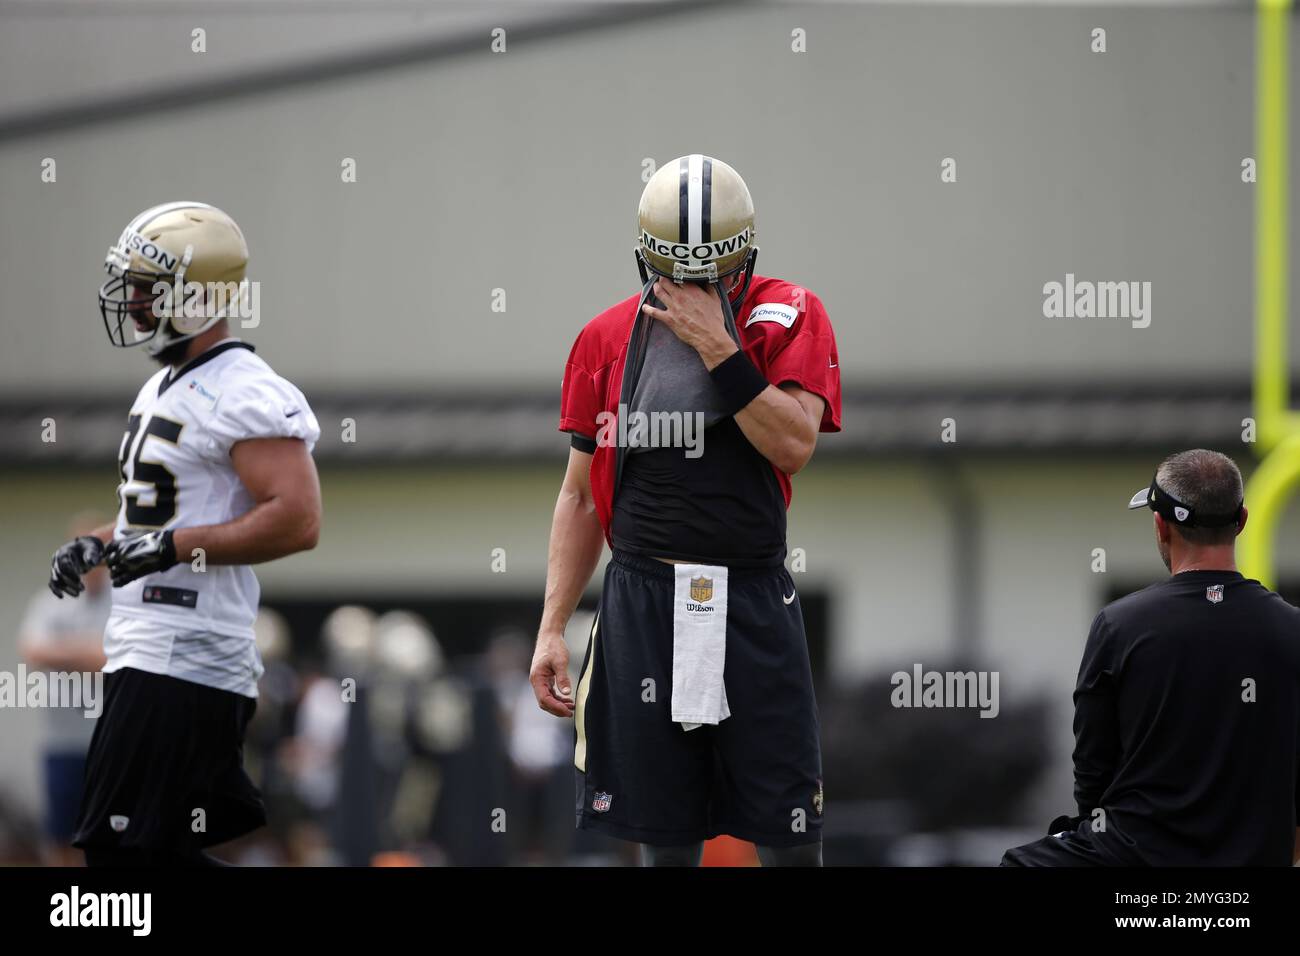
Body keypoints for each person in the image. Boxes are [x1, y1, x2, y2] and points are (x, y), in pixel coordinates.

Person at [530, 155, 841, 866]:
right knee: (664, 840)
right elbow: (580, 495)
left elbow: (793, 445)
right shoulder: (607, 337)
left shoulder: (788, 313)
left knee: (790, 833)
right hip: (645, 600)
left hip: (751, 597)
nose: (697, 289)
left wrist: (718, 347)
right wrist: (550, 628)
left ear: (744, 257)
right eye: (678, 272)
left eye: (714, 274)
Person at [47, 201, 322, 867]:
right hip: (144, 649)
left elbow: (298, 518)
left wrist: (173, 548)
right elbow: (158, 516)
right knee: (137, 856)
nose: (134, 302)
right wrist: (101, 543)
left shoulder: (242, 389)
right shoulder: (162, 387)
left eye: (147, 287)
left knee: (121, 859)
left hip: (188, 652)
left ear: (197, 296)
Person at [1002, 449, 1300, 866]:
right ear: (1242, 520)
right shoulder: (1291, 629)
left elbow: (1092, 775)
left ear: (1161, 525)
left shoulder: (1119, 625)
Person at [18, 511, 111, 865]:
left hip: (111, 743)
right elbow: (32, 650)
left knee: (112, 834)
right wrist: (90, 653)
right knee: (62, 839)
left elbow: (116, 660)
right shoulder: (50, 602)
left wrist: (64, 653)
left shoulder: (127, 602)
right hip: (62, 743)